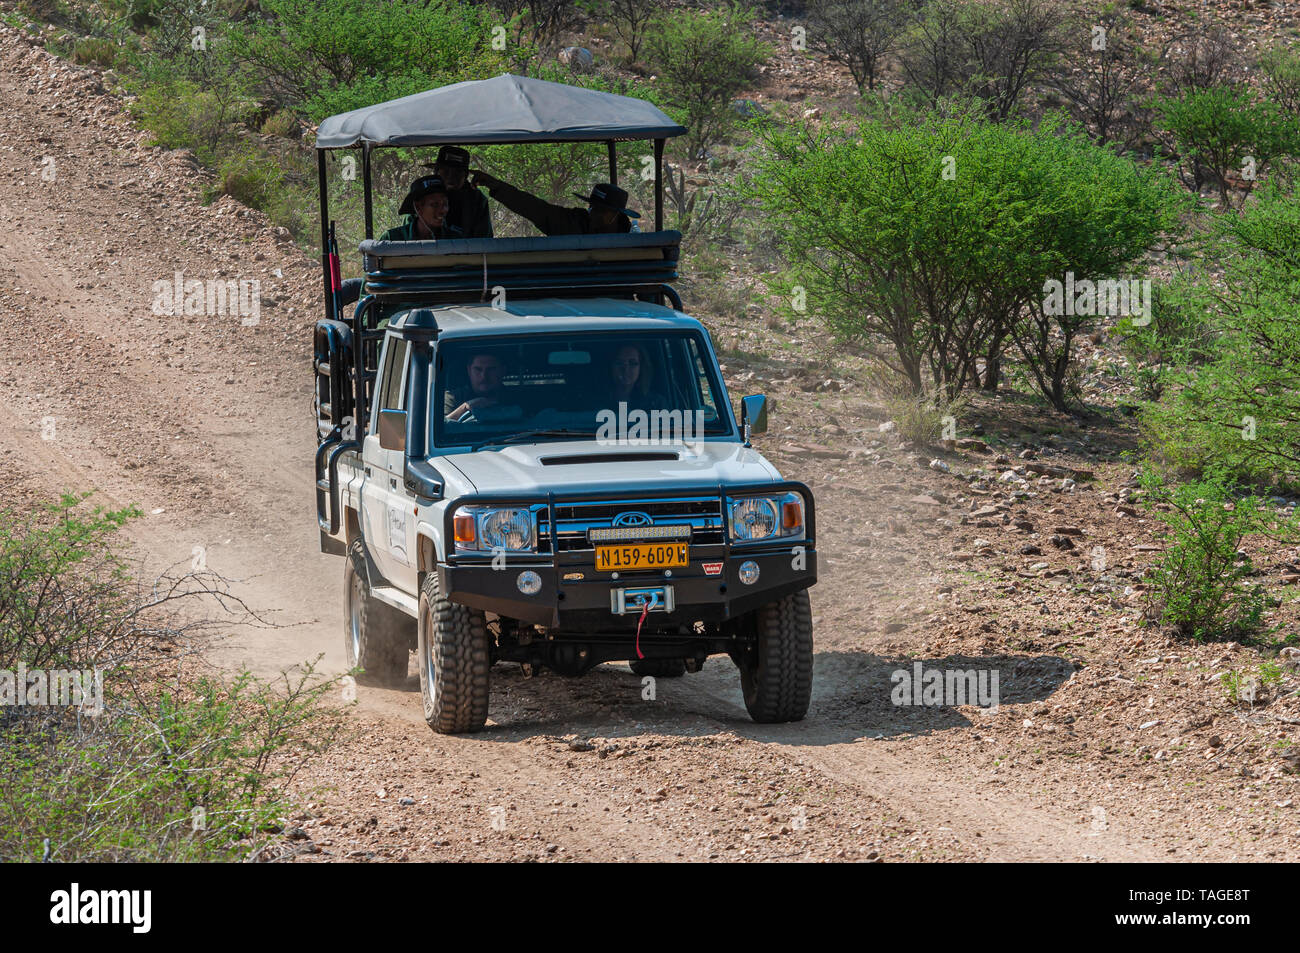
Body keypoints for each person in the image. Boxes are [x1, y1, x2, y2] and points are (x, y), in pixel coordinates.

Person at [469, 173, 639, 236]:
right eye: (592, 207)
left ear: (616, 215)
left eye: (602, 211)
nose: (593, 213)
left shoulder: (631, 240)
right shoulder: (573, 224)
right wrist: (497, 186)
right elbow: (535, 208)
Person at [429, 146, 493, 238]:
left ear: (466, 176)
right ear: (436, 172)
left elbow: (484, 240)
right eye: (446, 171)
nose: (451, 177)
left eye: (457, 173)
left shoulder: (476, 199)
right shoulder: (423, 193)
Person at [380, 175, 464, 242]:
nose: (444, 210)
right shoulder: (391, 238)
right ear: (418, 207)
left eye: (445, 204)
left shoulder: (457, 239)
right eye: (435, 204)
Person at [444, 352, 507, 421]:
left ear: (503, 371)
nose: (484, 376)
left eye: (491, 369)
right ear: (469, 370)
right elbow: (438, 424)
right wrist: (465, 408)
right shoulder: (453, 397)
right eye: (478, 369)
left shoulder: (516, 397)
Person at [604, 343, 666, 412]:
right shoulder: (596, 401)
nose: (625, 369)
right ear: (611, 367)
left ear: (641, 368)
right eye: (619, 363)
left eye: (633, 363)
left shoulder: (656, 404)